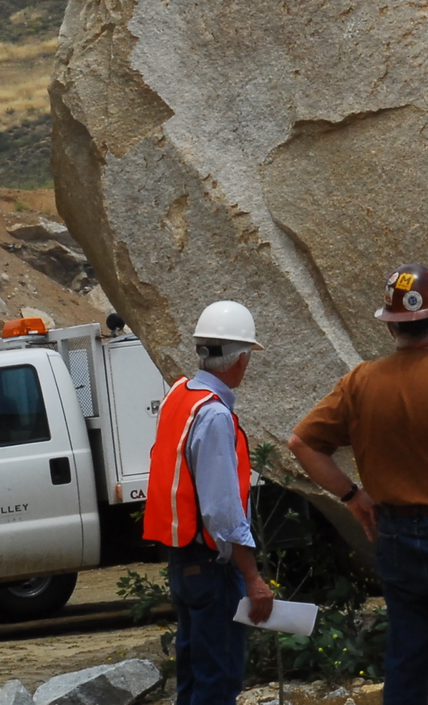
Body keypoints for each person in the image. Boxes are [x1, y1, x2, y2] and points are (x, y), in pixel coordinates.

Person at [288, 266, 428, 705]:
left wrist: (353, 496)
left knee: (406, 660)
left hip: (395, 536)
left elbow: (302, 443)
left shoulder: (360, 382)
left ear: (391, 326)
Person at [145, 300, 275, 705]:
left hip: (184, 561)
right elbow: (221, 512)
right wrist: (252, 575)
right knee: (217, 683)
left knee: (193, 680)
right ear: (241, 360)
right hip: (211, 568)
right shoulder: (215, 415)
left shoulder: (179, 396)